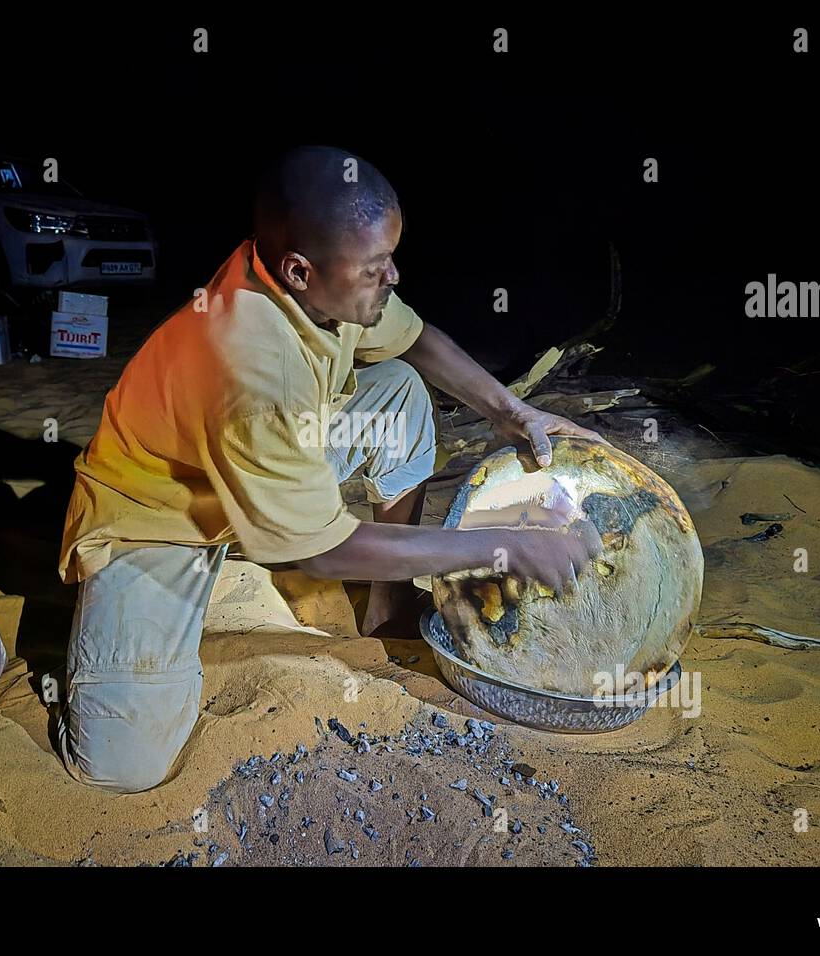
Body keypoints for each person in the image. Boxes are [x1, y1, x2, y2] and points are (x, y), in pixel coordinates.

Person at [55, 146, 604, 793]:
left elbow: (415, 338)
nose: (393, 277)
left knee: (397, 388)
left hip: (262, 460)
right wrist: (507, 546)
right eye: (375, 268)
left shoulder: (315, 285)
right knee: (124, 766)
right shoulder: (251, 366)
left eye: (392, 257)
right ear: (300, 271)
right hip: (158, 519)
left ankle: (387, 603)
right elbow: (325, 550)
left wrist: (513, 412)